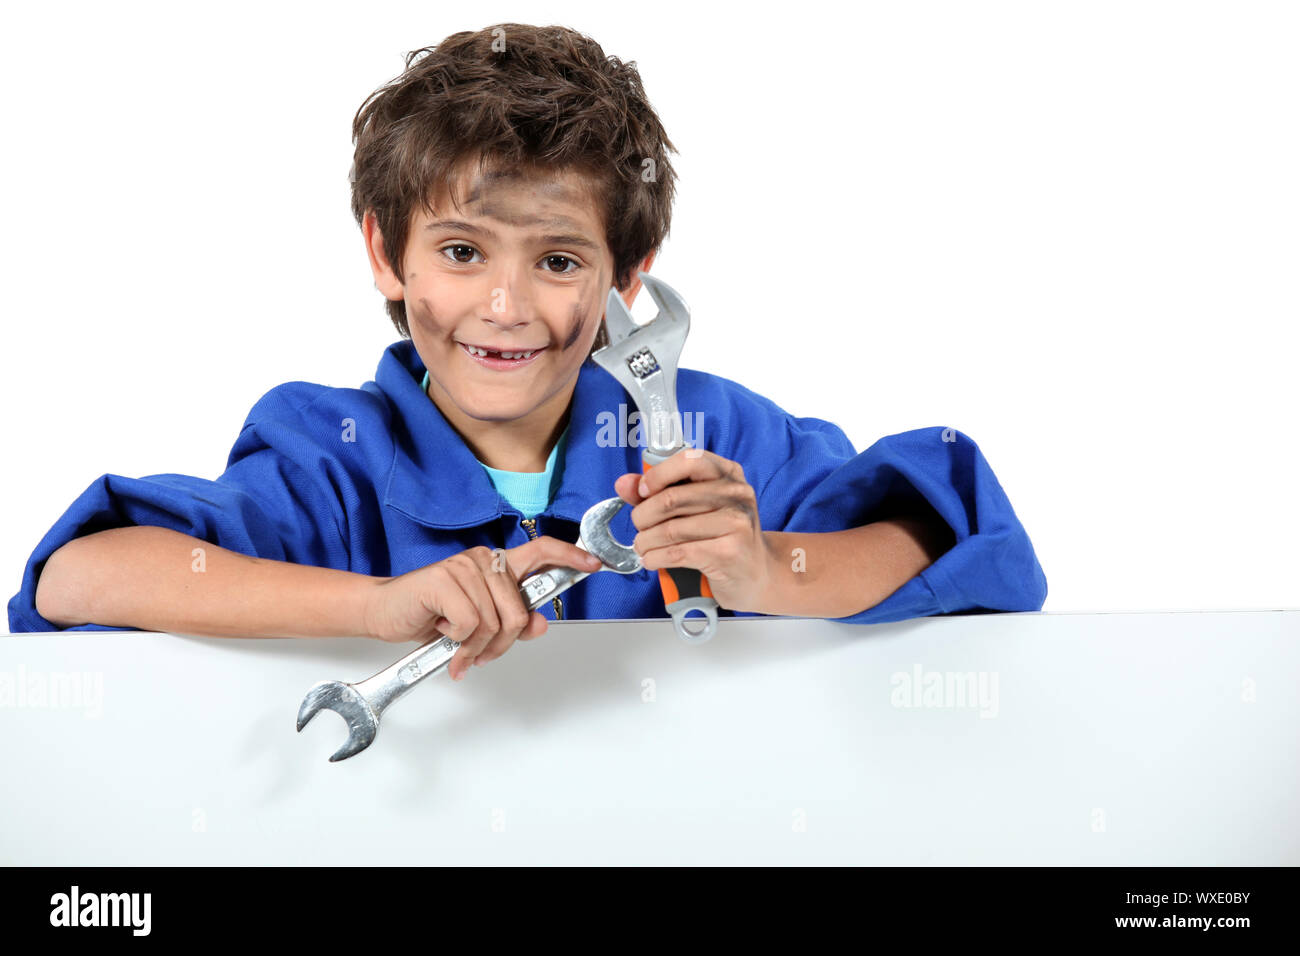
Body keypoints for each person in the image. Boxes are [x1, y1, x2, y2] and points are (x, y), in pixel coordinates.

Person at [8, 23, 1047, 681]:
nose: (502, 306)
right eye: (461, 252)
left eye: (557, 260)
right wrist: (375, 606)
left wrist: (770, 565)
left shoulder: (711, 433)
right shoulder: (329, 449)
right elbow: (79, 578)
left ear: (627, 275)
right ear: (386, 253)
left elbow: (954, 545)